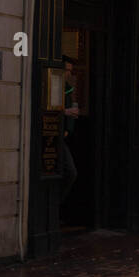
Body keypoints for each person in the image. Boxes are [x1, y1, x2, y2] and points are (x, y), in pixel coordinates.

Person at [59, 54, 79, 203]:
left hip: (62, 136)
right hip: (50, 134)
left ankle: (56, 204)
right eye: (66, 69)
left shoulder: (67, 88)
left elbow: (71, 109)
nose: (68, 73)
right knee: (69, 171)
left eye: (70, 71)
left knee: (70, 172)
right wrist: (64, 112)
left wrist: (68, 129)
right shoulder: (50, 84)